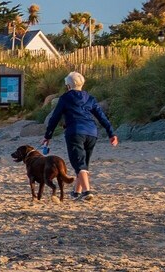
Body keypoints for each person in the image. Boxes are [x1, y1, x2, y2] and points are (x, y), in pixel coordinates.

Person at [43, 71, 118, 201]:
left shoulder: (65, 98)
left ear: (68, 85)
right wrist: (111, 133)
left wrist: (48, 136)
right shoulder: (90, 98)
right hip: (92, 133)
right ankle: (76, 193)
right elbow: (102, 117)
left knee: (79, 163)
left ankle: (87, 192)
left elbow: (55, 118)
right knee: (83, 164)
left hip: (75, 132)